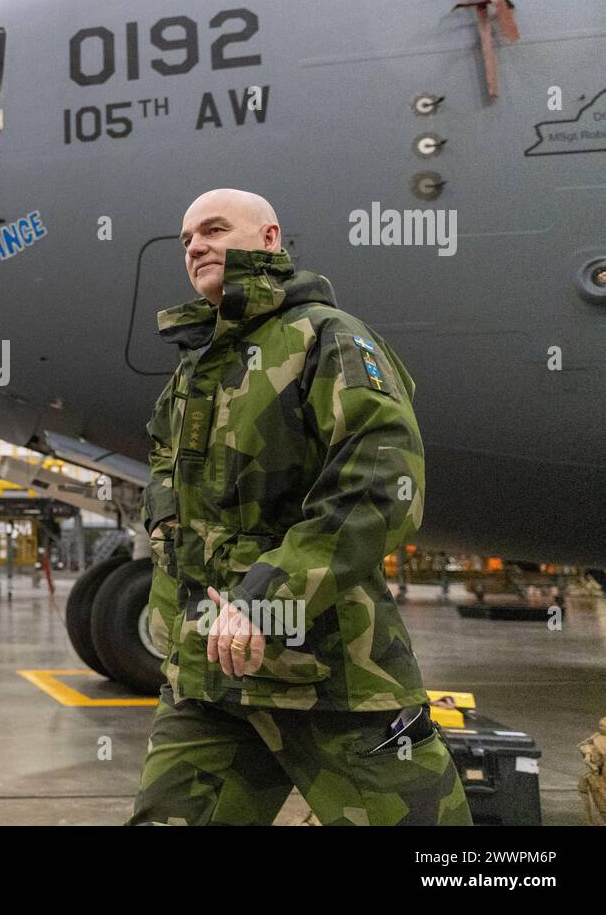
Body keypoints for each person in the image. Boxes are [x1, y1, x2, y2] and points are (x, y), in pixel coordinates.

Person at [128, 188, 471, 826]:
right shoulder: (196, 369)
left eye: (213, 228)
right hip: (210, 681)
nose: (195, 245)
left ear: (269, 239)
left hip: (332, 676)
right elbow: (170, 496)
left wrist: (266, 598)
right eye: (186, 240)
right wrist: (181, 636)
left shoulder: (327, 340)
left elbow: (381, 485)